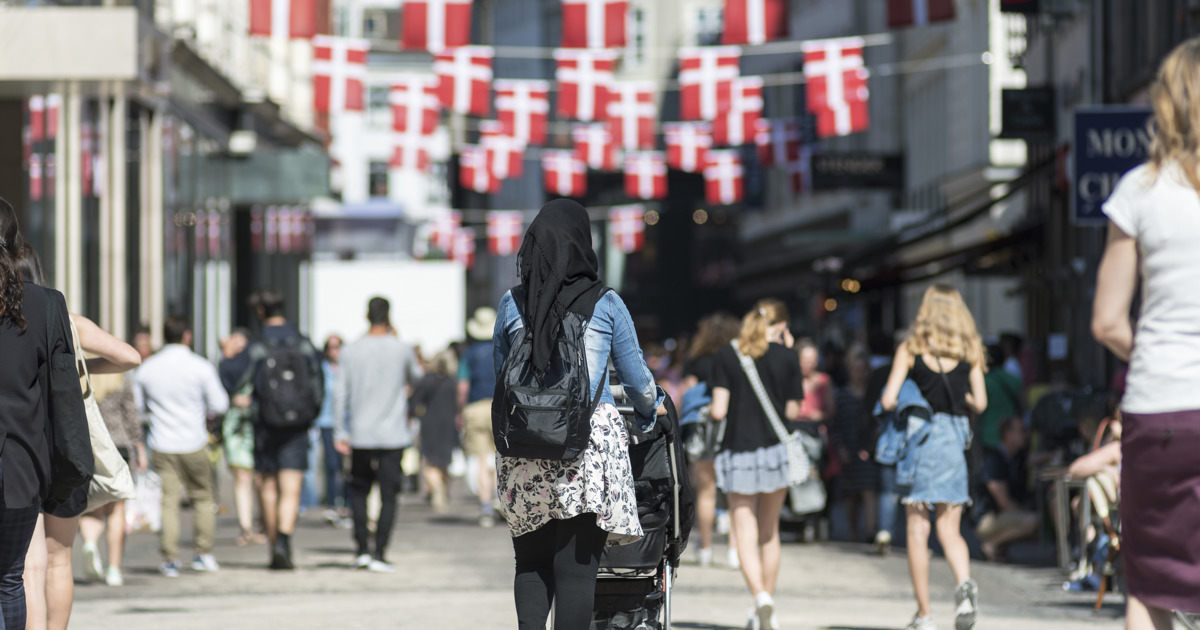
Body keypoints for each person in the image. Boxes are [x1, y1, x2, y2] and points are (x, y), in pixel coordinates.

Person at [494, 199, 663, 630]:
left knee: (531, 561)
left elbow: (501, 376)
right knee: (577, 569)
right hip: (585, 445)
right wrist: (652, 411)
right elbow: (637, 381)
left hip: (524, 446)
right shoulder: (605, 302)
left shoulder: (512, 303)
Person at [1091, 37, 1200, 630]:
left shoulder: (1140, 190)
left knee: (1151, 585)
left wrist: (1161, 350)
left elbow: (1107, 321)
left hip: (1161, 407)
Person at [18, 243, 141, 630]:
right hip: (66, 448)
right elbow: (130, 357)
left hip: (23, 449)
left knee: (27, 564)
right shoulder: (67, 320)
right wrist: (78, 365)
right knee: (58, 560)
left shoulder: (11, 320)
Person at [880, 284, 987, 630]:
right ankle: (964, 585)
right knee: (950, 528)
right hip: (955, 440)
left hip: (922, 441)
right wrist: (960, 396)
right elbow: (980, 403)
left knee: (917, 528)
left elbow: (888, 399)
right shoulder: (969, 350)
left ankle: (924, 615)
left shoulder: (911, 349)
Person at [0, 200, 85, 629]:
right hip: (20, 464)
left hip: (21, 465)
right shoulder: (46, 304)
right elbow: (63, 394)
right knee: (8, 579)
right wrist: (68, 467)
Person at [709, 299, 804, 630]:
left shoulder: (726, 355)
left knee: (744, 533)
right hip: (776, 452)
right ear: (782, 327)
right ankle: (767, 605)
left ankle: (760, 598)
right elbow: (792, 412)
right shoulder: (789, 357)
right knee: (769, 531)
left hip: (739, 452)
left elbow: (718, 410)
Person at [234, 287, 325, 570]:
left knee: (269, 486)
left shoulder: (258, 345)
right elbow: (318, 384)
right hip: (297, 424)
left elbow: (237, 379)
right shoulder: (302, 342)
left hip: (266, 423)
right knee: (292, 486)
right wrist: (310, 413)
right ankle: (285, 538)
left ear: (260, 311)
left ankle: (274, 545)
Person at [134, 316, 229, 578]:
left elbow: (138, 407)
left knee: (168, 502)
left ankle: (170, 559)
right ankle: (203, 553)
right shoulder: (200, 366)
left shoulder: (148, 368)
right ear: (187, 336)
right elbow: (220, 404)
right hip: (194, 441)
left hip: (162, 442)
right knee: (203, 497)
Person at [333, 297, 423, 572]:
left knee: (358, 491)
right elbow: (417, 376)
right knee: (389, 494)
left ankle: (361, 549)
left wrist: (340, 431)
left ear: (366, 316)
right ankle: (380, 552)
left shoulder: (350, 350)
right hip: (393, 433)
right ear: (389, 316)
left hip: (360, 433)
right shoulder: (401, 349)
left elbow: (340, 393)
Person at [680, 312, 741, 568]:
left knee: (705, 491)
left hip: (702, 430)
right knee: (736, 492)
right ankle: (734, 550)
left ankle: (705, 548)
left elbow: (687, 392)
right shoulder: (736, 358)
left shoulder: (696, 360)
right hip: (731, 425)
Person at [78, 371, 148, 586]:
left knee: (92, 506)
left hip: (88, 445)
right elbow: (130, 416)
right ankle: (114, 569)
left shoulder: (80, 374)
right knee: (117, 509)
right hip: (118, 446)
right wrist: (140, 448)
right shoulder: (120, 377)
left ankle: (90, 542)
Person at [218, 328, 265, 547]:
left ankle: (260, 524)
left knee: (255, 478)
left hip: (250, 423)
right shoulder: (229, 363)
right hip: (240, 425)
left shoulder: (249, 360)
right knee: (245, 477)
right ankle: (249, 527)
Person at [831, 344, 880, 544]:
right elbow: (836, 424)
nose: (859, 374)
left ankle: (871, 532)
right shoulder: (842, 395)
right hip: (848, 448)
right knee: (850, 493)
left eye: (862, 369)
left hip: (868, 448)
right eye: (855, 369)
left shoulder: (874, 394)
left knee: (869, 489)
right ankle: (853, 531)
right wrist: (840, 447)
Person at [457, 307, 500, 527]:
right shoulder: (502, 350)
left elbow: (462, 387)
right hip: (499, 407)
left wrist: (460, 411)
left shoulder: (469, 354)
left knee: (482, 459)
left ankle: (485, 507)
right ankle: (498, 499)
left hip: (475, 407)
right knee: (499, 457)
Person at [976, 417, 1036, 562]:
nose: (1026, 435)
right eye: (1022, 431)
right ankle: (992, 545)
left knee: (1032, 519)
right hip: (986, 518)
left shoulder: (1016, 457)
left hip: (1000, 514)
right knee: (1033, 521)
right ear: (1008, 434)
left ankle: (999, 550)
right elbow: (1004, 503)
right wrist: (1026, 512)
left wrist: (1055, 455)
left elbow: (1034, 458)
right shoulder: (994, 460)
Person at [796, 339, 834, 539]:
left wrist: (815, 415)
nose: (808, 364)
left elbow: (831, 410)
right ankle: (801, 522)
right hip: (795, 435)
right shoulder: (791, 379)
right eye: (805, 359)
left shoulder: (823, 381)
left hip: (815, 437)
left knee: (817, 478)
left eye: (812, 359)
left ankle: (816, 520)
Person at [413, 349, 460, 513]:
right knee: (445, 462)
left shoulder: (426, 380)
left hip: (429, 423)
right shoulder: (453, 382)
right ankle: (443, 490)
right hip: (448, 423)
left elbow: (415, 403)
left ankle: (437, 487)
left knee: (430, 462)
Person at [315, 335, 349, 527]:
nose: (334, 351)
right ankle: (332, 502)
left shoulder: (349, 369)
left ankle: (347, 503)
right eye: (331, 347)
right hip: (327, 421)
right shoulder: (322, 370)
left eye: (337, 347)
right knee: (332, 463)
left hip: (347, 423)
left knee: (348, 466)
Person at [978, 345, 1023, 450]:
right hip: (1010, 435)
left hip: (988, 435)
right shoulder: (1014, 379)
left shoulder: (983, 382)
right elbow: (1024, 405)